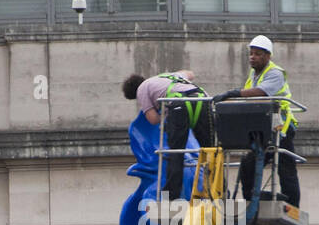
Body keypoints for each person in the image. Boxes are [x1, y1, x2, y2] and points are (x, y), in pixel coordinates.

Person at [214, 35, 300, 207]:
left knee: (285, 165)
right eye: (251, 53)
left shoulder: (275, 73)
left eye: (258, 54)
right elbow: (249, 98)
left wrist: (233, 93)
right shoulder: (254, 75)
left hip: (280, 127)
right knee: (248, 163)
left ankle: (292, 206)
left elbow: (260, 92)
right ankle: (252, 199)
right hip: (263, 127)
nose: (253, 57)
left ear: (268, 56)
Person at [121, 70, 213, 201]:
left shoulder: (141, 89)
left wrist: (166, 117)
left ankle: (171, 196)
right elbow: (191, 74)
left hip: (179, 105)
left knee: (176, 152)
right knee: (210, 150)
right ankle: (218, 189)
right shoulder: (167, 77)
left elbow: (153, 119)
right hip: (202, 99)